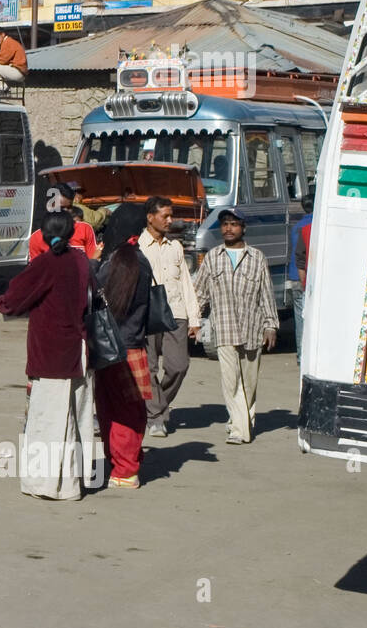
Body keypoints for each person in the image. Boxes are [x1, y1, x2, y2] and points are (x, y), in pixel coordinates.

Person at [0, 211, 93, 501]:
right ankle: (72, 483)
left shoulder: (45, 264)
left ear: (43, 235)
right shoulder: (82, 262)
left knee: (47, 420)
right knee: (75, 417)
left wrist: (2, 302)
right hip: (81, 350)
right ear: (72, 232)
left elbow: (12, 301)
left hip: (52, 353)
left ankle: (46, 485)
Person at [193, 208, 279, 445]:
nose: (228, 229)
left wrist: (270, 325)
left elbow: (266, 295)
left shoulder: (257, 258)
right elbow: (199, 292)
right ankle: (239, 430)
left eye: (233, 224)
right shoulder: (213, 257)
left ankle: (242, 421)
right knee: (230, 381)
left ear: (243, 227)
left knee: (249, 381)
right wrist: (193, 320)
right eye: (224, 225)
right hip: (225, 328)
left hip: (253, 328)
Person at [138, 195, 201, 437]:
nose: (170, 220)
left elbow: (186, 283)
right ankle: (156, 417)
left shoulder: (175, 247)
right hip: (147, 314)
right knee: (149, 367)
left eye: (171, 215)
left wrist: (194, 319)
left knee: (179, 366)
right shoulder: (138, 247)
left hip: (176, 313)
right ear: (150, 217)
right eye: (165, 216)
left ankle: (156, 405)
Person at [94, 240, 154, 488]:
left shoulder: (110, 265)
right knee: (130, 410)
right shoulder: (144, 264)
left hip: (108, 346)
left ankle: (125, 469)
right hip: (134, 346)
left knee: (111, 409)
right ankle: (125, 464)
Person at [27, 183, 98, 260]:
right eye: (62, 208)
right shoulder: (36, 238)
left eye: (69, 207)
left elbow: (92, 263)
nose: (67, 212)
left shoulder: (84, 229)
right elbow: (37, 269)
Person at [291, 190, 315, 368]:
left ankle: (301, 355)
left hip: (295, 277)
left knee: (300, 319)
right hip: (307, 277)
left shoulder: (297, 226)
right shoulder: (317, 225)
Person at [0, 27, 28, 92]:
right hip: (18, 71)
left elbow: (1, 60)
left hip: (18, 71)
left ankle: (2, 88)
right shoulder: (9, 42)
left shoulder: (8, 42)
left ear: (3, 34)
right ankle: (0, 89)